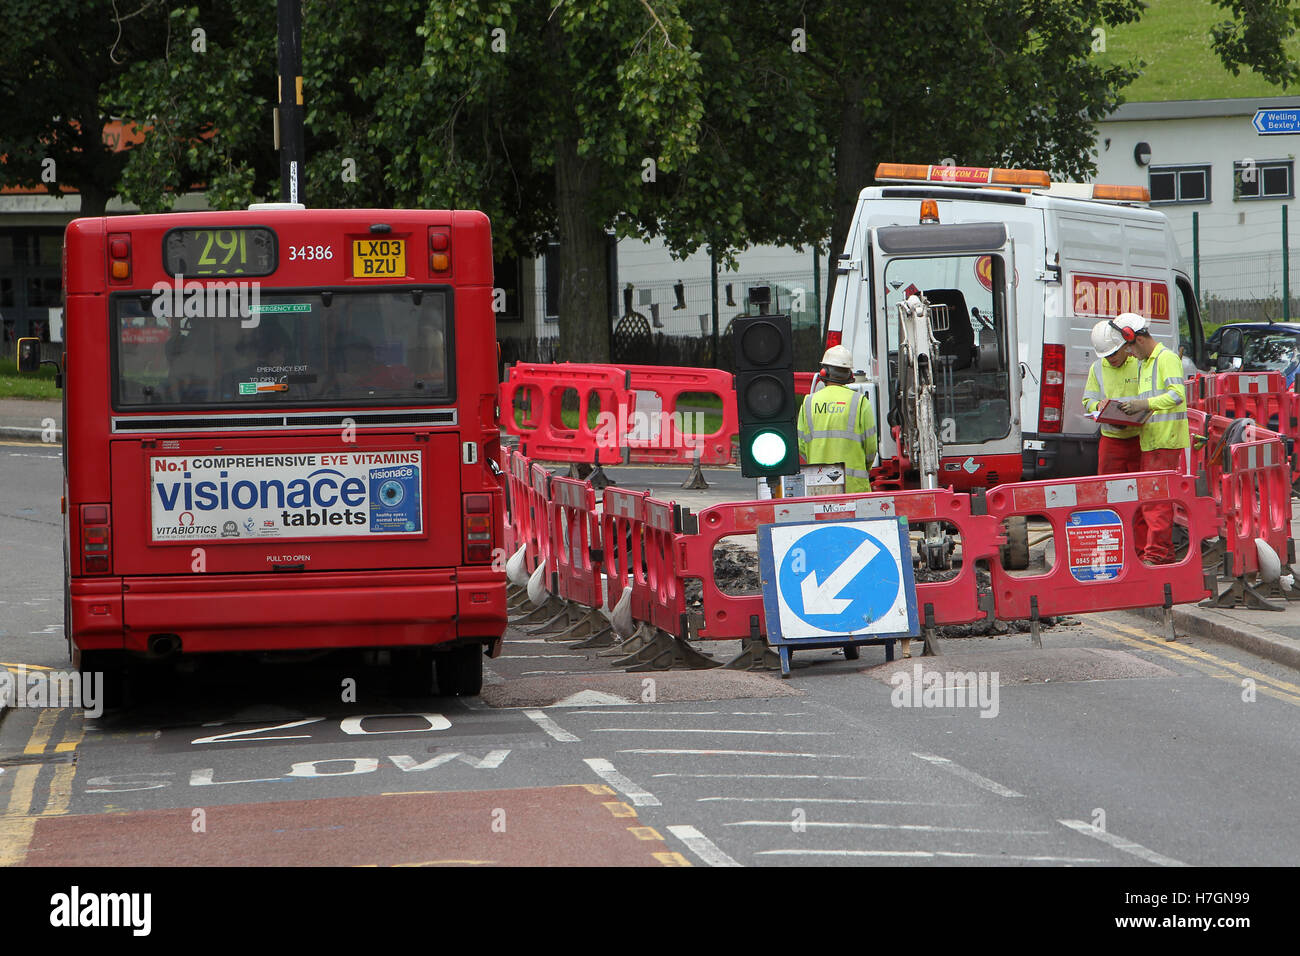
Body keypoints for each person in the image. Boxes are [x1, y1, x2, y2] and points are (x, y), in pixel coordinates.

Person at [1115, 311, 1191, 565]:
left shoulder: (1165, 359)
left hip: (1164, 441)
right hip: (1153, 441)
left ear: (1135, 338)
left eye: (1128, 348)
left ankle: (1156, 555)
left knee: (1154, 502)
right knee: (1154, 500)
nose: (1129, 354)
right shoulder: (1146, 364)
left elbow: (1177, 394)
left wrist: (1143, 404)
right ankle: (1164, 553)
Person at [797, 345, 877, 493]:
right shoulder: (859, 403)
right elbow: (871, 448)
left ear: (824, 372)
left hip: (819, 488)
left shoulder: (809, 402)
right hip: (854, 488)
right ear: (849, 375)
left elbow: (802, 446)